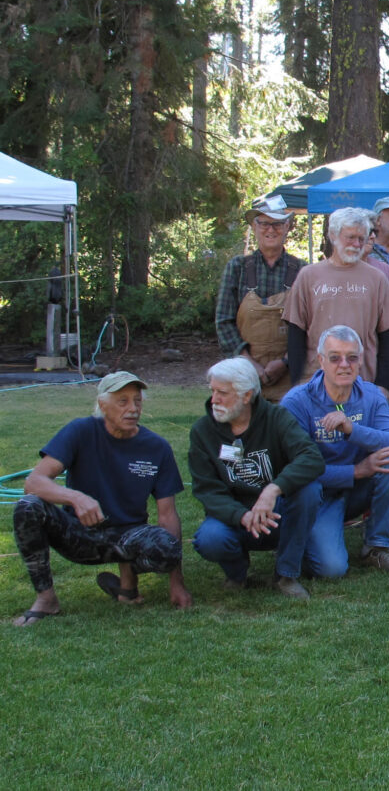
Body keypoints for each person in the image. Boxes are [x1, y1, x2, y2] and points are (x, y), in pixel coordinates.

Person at [12, 372, 191, 626]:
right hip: (78, 534)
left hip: (127, 538)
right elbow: (33, 482)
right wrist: (75, 498)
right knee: (28, 506)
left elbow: (168, 515)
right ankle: (46, 599)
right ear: (102, 405)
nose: (133, 409)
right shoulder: (80, 431)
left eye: (137, 401)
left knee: (168, 547)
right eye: (123, 401)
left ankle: (127, 583)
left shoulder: (157, 447)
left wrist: (177, 583)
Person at [280, 325, 389, 576]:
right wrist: (356, 471)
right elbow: (295, 468)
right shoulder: (297, 402)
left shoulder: (371, 396)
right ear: (320, 361)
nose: (344, 365)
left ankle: (377, 546)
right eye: (335, 358)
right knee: (332, 569)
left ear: (360, 360)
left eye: (351, 357)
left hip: (356, 492)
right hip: (317, 495)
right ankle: (305, 537)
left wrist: (352, 430)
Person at [190, 359, 324, 599]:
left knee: (309, 490)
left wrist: (273, 490)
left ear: (247, 395)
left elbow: (312, 458)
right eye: (212, 391)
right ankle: (237, 574)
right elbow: (206, 490)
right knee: (210, 538)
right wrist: (241, 515)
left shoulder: (276, 418)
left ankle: (286, 574)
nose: (214, 400)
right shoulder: (202, 431)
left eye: (222, 393)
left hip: (276, 514)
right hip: (234, 517)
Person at [283, 205, 389, 387]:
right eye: (350, 237)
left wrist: (383, 387)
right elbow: (295, 335)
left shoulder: (377, 278)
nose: (357, 244)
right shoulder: (308, 276)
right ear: (333, 235)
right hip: (316, 383)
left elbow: (388, 338)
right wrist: (298, 384)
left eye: (361, 238)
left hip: (363, 384)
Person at [216, 195, 306, 399]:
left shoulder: (303, 270)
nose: (270, 230)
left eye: (277, 224)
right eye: (264, 223)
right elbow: (224, 322)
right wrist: (248, 363)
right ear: (254, 227)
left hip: (291, 379)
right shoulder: (237, 268)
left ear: (287, 227)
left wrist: (285, 362)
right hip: (243, 375)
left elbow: (310, 326)